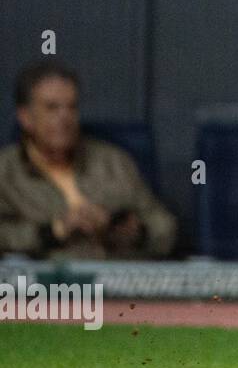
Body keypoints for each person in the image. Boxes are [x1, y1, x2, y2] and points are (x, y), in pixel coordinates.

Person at [0, 62, 176, 260]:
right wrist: (55, 230)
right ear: (25, 117)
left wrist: (134, 233)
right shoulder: (5, 171)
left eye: (72, 107)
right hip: (46, 284)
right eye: (52, 108)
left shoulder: (113, 162)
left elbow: (165, 227)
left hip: (116, 278)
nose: (64, 117)